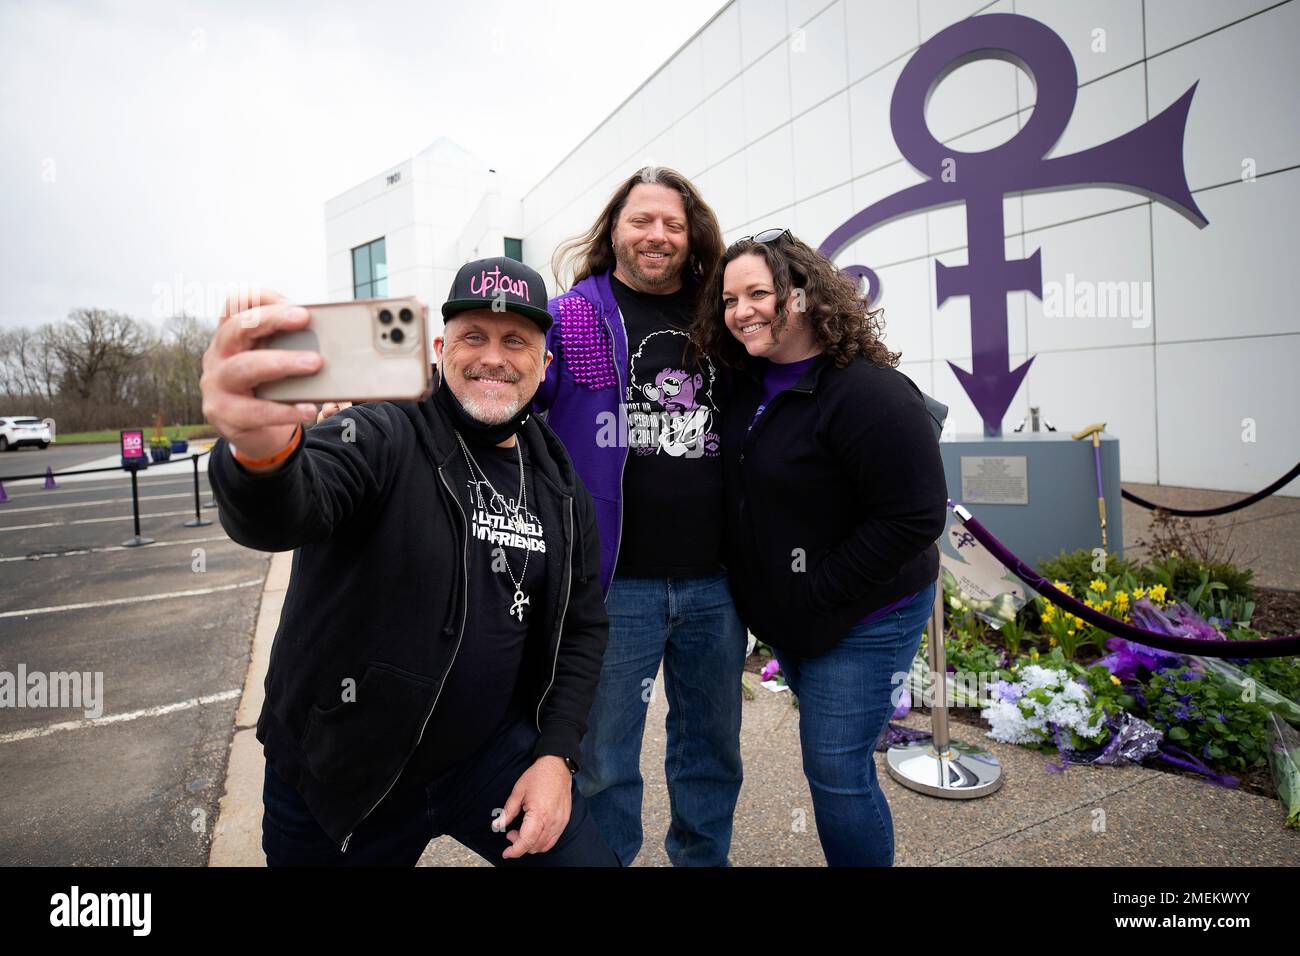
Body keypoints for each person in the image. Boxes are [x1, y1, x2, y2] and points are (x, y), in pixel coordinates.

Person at [202, 256, 617, 866]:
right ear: (443, 346)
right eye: (474, 336)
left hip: (485, 759)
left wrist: (556, 755)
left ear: (544, 362)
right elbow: (290, 510)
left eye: (516, 341)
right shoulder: (384, 429)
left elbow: (582, 629)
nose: (493, 357)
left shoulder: (560, 484)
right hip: (343, 772)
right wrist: (261, 453)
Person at [689, 228, 947, 867]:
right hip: (799, 617)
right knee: (829, 760)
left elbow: (913, 518)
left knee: (835, 769)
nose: (741, 310)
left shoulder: (869, 393)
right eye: (729, 299)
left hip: (864, 615)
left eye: (759, 293)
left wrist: (816, 593)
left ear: (804, 296)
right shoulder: (747, 384)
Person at [532, 166, 747, 866]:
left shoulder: (725, 317)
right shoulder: (571, 318)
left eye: (673, 224)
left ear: (691, 238)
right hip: (613, 585)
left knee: (711, 753)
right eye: (641, 220)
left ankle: (701, 860)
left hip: (718, 583)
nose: (657, 235)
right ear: (614, 230)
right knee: (602, 762)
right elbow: (512, 409)